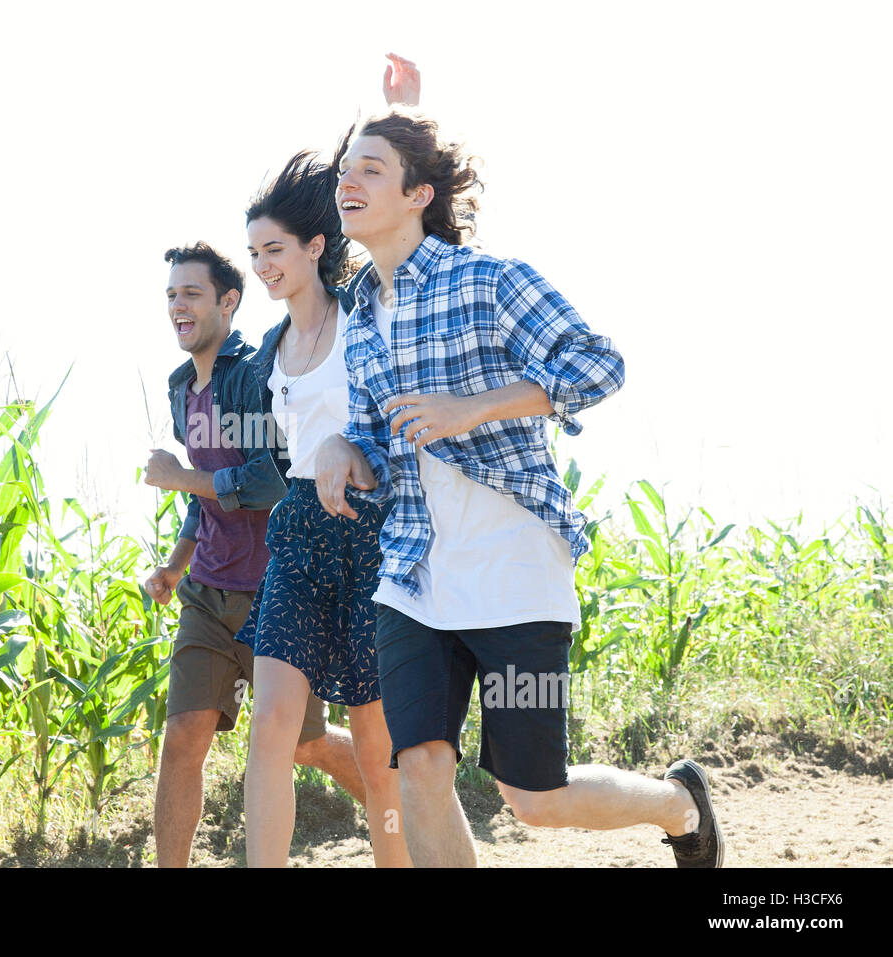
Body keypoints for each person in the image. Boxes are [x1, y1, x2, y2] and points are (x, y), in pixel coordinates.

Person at [315, 110, 723, 868]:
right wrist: (343, 447)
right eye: (346, 168)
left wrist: (476, 407)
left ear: (419, 194)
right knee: (421, 769)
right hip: (414, 573)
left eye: (370, 168)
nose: (349, 180)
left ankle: (679, 804)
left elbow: (597, 364)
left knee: (535, 798)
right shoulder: (359, 315)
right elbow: (381, 434)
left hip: (517, 569)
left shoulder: (491, 280)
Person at [143, 244, 366, 867]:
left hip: (277, 592)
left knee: (305, 745)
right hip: (207, 594)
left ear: (227, 301)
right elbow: (208, 489)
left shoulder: (254, 374)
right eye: (170, 295)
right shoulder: (182, 386)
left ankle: (392, 796)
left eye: (191, 294)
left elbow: (269, 479)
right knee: (183, 736)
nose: (177, 306)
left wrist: (180, 476)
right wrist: (176, 562)